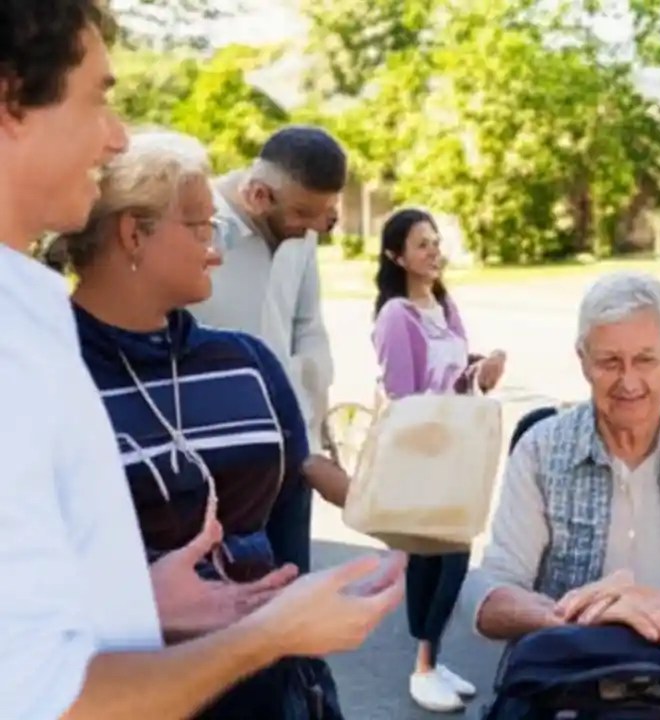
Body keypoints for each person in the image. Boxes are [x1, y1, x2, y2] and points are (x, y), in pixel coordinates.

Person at [0, 3, 405, 719]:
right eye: (98, 97)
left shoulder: (33, 318)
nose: (116, 135)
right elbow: (45, 699)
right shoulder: (27, 342)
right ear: (10, 101)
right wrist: (269, 634)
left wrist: (138, 600)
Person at [55, 128, 357, 716]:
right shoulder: (44, 376)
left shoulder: (249, 362)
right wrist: (138, 602)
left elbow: (294, 489)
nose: (216, 248)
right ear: (132, 234)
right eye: (199, 227)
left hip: (268, 691)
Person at [463, 270, 660, 647]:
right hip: (571, 683)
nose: (629, 382)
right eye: (610, 362)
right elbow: (487, 596)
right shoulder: (540, 450)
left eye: (644, 360)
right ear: (583, 359)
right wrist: (581, 620)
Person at [188, 124, 350, 576]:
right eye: (304, 212)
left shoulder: (302, 236)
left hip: (291, 462)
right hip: (217, 468)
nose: (316, 227)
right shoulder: (196, 228)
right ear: (259, 195)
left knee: (292, 593)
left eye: (327, 214)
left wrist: (313, 434)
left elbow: (307, 327)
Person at [371, 207, 506, 711]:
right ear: (395, 256)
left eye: (435, 241)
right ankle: (423, 666)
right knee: (444, 557)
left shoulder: (444, 306)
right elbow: (405, 397)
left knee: (442, 556)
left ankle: (433, 657)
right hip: (423, 455)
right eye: (421, 244)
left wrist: (482, 371)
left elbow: (454, 374)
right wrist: (465, 382)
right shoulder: (395, 316)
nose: (433, 252)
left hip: (458, 450)